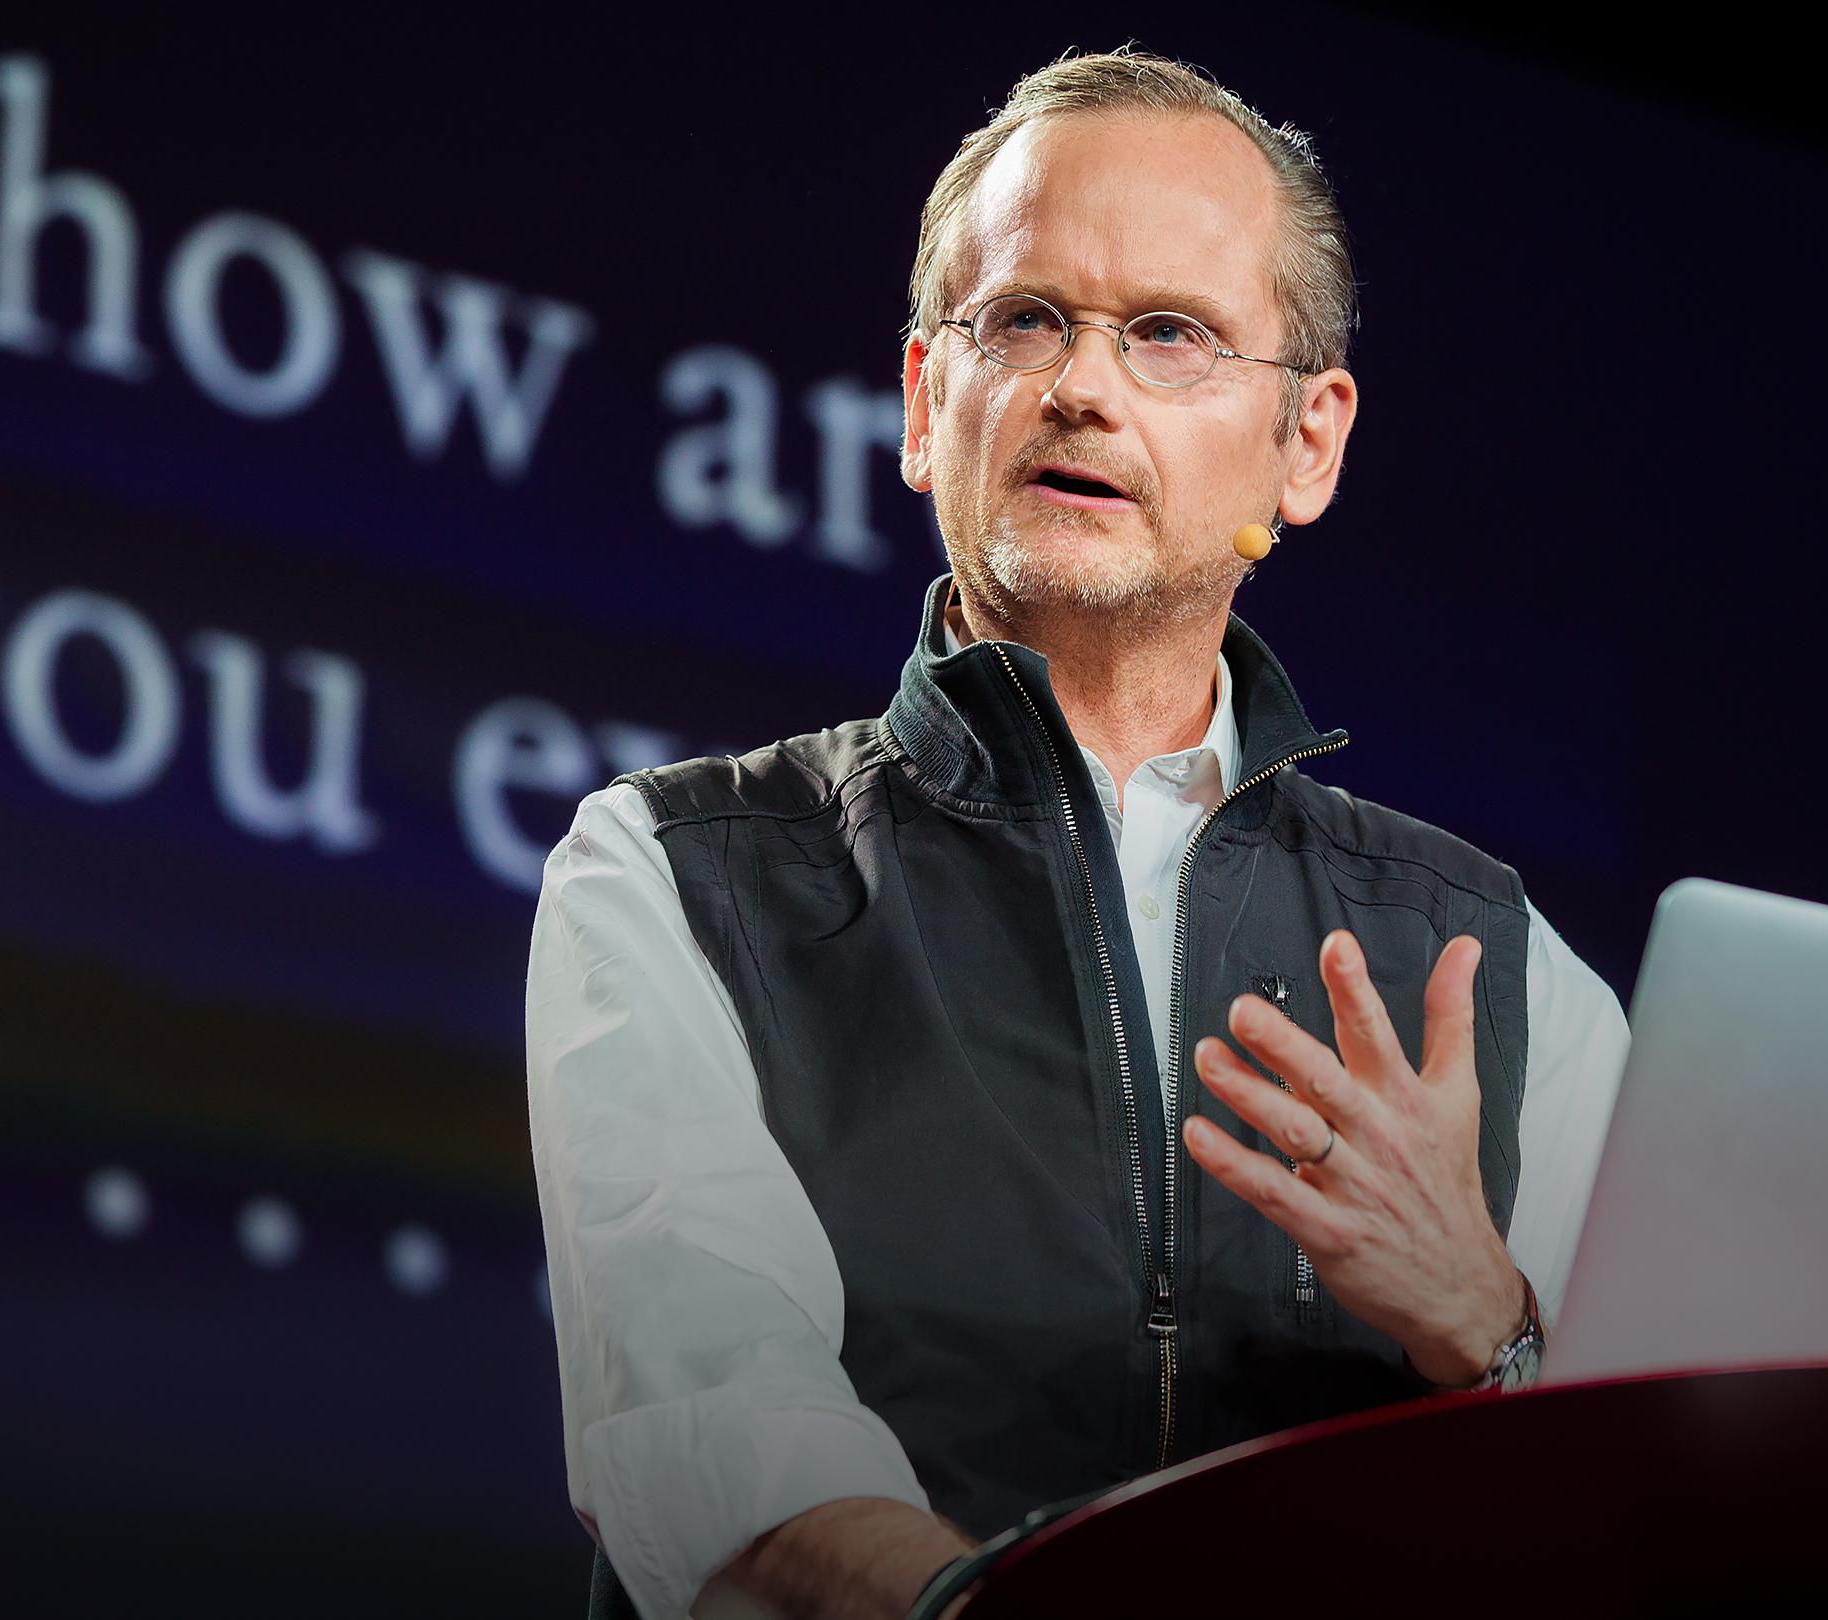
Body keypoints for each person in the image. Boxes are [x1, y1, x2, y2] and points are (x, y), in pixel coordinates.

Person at [527, 47, 1630, 1620]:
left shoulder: (1495, 963)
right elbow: (716, 1442)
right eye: (1026, 319)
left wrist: (1490, 1327)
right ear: (927, 404)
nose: (1082, 388)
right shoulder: (676, 875)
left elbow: (1664, 1511)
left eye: (1170, 333)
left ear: (1307, 443)